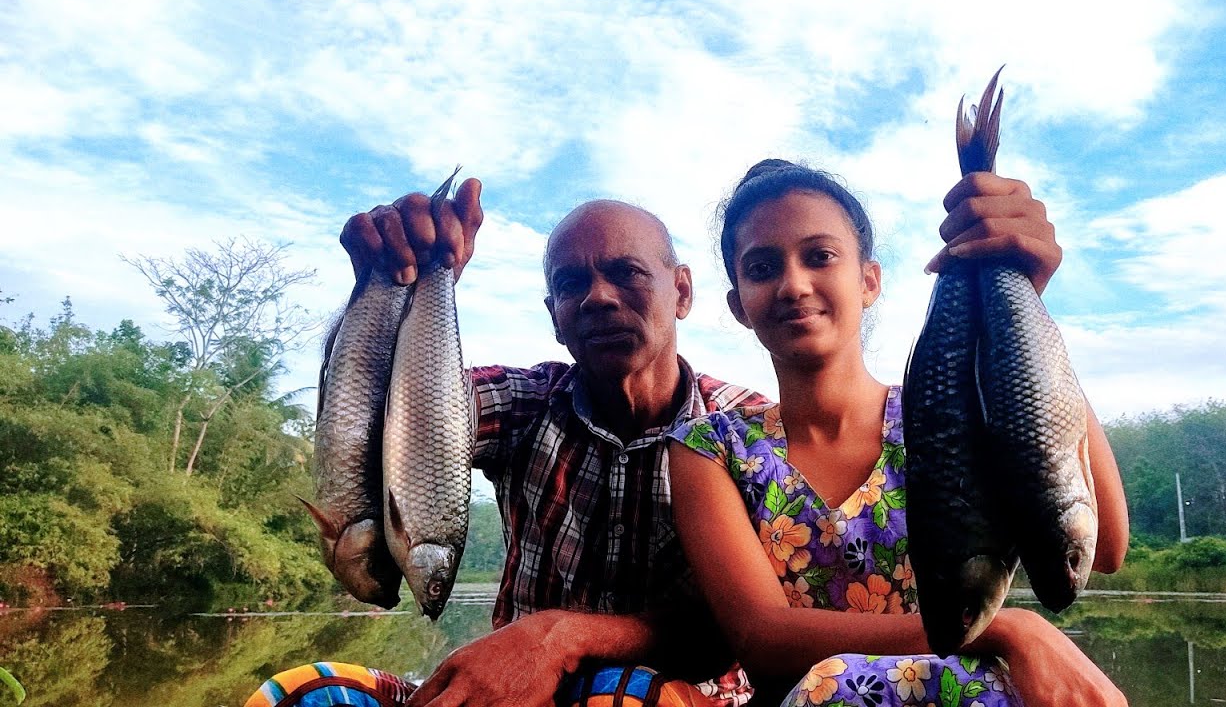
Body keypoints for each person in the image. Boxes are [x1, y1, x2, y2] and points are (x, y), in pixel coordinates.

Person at [246, 177, 769, 707]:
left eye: (625, 273)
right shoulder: (525, 402)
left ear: (681, 291)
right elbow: (373, 410)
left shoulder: (751, 431)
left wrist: (561, 639)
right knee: (298, 696)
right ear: (555, 320)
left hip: (681, 698)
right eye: (571, 284)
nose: (598, 298)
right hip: (513, 695)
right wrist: (388, 283)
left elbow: (749, 621)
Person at [665, 159, 1131, 707]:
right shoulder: (710, 447)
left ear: (869, 280)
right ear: (739, 304)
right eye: (763, 267)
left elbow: (1103, 549)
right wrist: (1010, 628)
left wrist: (1024, 303)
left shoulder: (942, 415)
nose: (793, 284)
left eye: (820, 256)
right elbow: (763, 637)